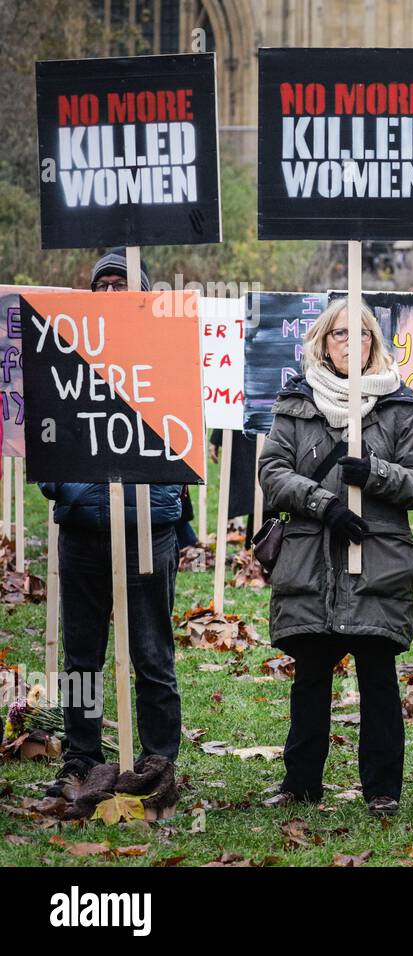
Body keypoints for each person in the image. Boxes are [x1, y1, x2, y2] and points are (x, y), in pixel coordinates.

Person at [258, 297, 413, 817]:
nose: (349, 342)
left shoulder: (399, 408)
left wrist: (376, 473)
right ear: (322, 342)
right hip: (311, 561)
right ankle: (300, 783)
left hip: (377, 563)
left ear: (372, 343)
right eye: (338, 334)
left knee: (377, 678)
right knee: (311, 677)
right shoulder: (296, 405)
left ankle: (382, 789)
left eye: (359, 334)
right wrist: (325, 503)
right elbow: (272, 473)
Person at [41, 249, 184, 797]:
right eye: (100, 286)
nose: (108, 296)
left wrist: (151, 492)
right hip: (82, 530)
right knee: (82, 653)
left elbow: (181, 441)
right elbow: (48, 443)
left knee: (151, 650)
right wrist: (71, 490)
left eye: (120, 285)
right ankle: (81, 757)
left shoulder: (165, 356)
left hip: (150, 529)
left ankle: (157, 759)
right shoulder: (66, 355)